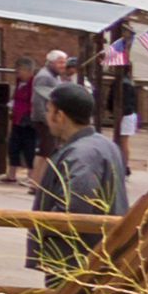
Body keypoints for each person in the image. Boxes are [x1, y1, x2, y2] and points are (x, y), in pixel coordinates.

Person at [33, 78, 129, 272]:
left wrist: (43, 228)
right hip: (94, 254)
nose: (46, 115)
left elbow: (73, 208)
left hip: (76, 259)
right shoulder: (102, 144)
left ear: (60, 115)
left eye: (49, 110)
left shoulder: (82, 155)